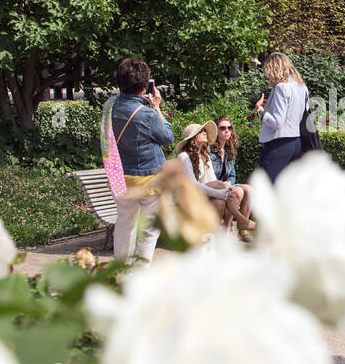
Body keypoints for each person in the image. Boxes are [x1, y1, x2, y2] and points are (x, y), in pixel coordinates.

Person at [104, 58, 173, 262]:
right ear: (145, 85)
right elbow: (168, 137)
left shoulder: (110, 107)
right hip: (148, 178)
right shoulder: (147, 114)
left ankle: (120, 275)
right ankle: (140, 275)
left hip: (119, 175)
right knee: (150, 230)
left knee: (124, 224)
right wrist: (158, 109)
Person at [175, 121, 255, 241]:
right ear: (192, 138)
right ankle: (241, 220)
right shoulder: (184, 157)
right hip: (187, 197)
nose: (204, 133)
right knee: (227, 190)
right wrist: (221, 192)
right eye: (200, 131)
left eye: (204, 131)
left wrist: (226, 190)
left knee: (221, 201)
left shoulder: (204, 156)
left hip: (201, 194)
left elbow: (213, 179)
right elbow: (193, 186)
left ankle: (212, 236)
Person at [255, 52, 309, 183]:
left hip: (278, 144)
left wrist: (260, 110)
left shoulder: (281, 87)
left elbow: (277, 123)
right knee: (288, 190)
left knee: (267, 189)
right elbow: (303, 113)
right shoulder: (302, 87)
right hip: (296, 142)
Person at [210, 115, 254, 238]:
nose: (227, 130)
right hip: (214, 186)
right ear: (216, 131)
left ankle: (242, 229)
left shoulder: (230, 150)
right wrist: (223, 185)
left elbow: (232, 174)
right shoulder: (209, 150)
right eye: (222, 128)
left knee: (249, 189)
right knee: (238, 191)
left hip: (225, 185)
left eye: (229, 128)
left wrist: (229, 183)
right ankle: (226, 230)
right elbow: (207, 176)